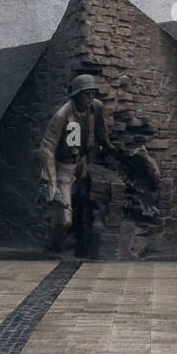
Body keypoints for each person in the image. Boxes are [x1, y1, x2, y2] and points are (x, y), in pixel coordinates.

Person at [39, 74, 118, 253]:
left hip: (82, 164)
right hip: (63, 168)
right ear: (76, 95)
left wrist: (109, 147)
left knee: (85, 205)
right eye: (85, 94)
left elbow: (100, 132)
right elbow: (46, 149)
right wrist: (52, 181)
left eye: (92, 93)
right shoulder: (62, 115)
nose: (90, 98)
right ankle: (55, 249)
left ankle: (79, 244)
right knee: (64, 219)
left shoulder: (96, 107)